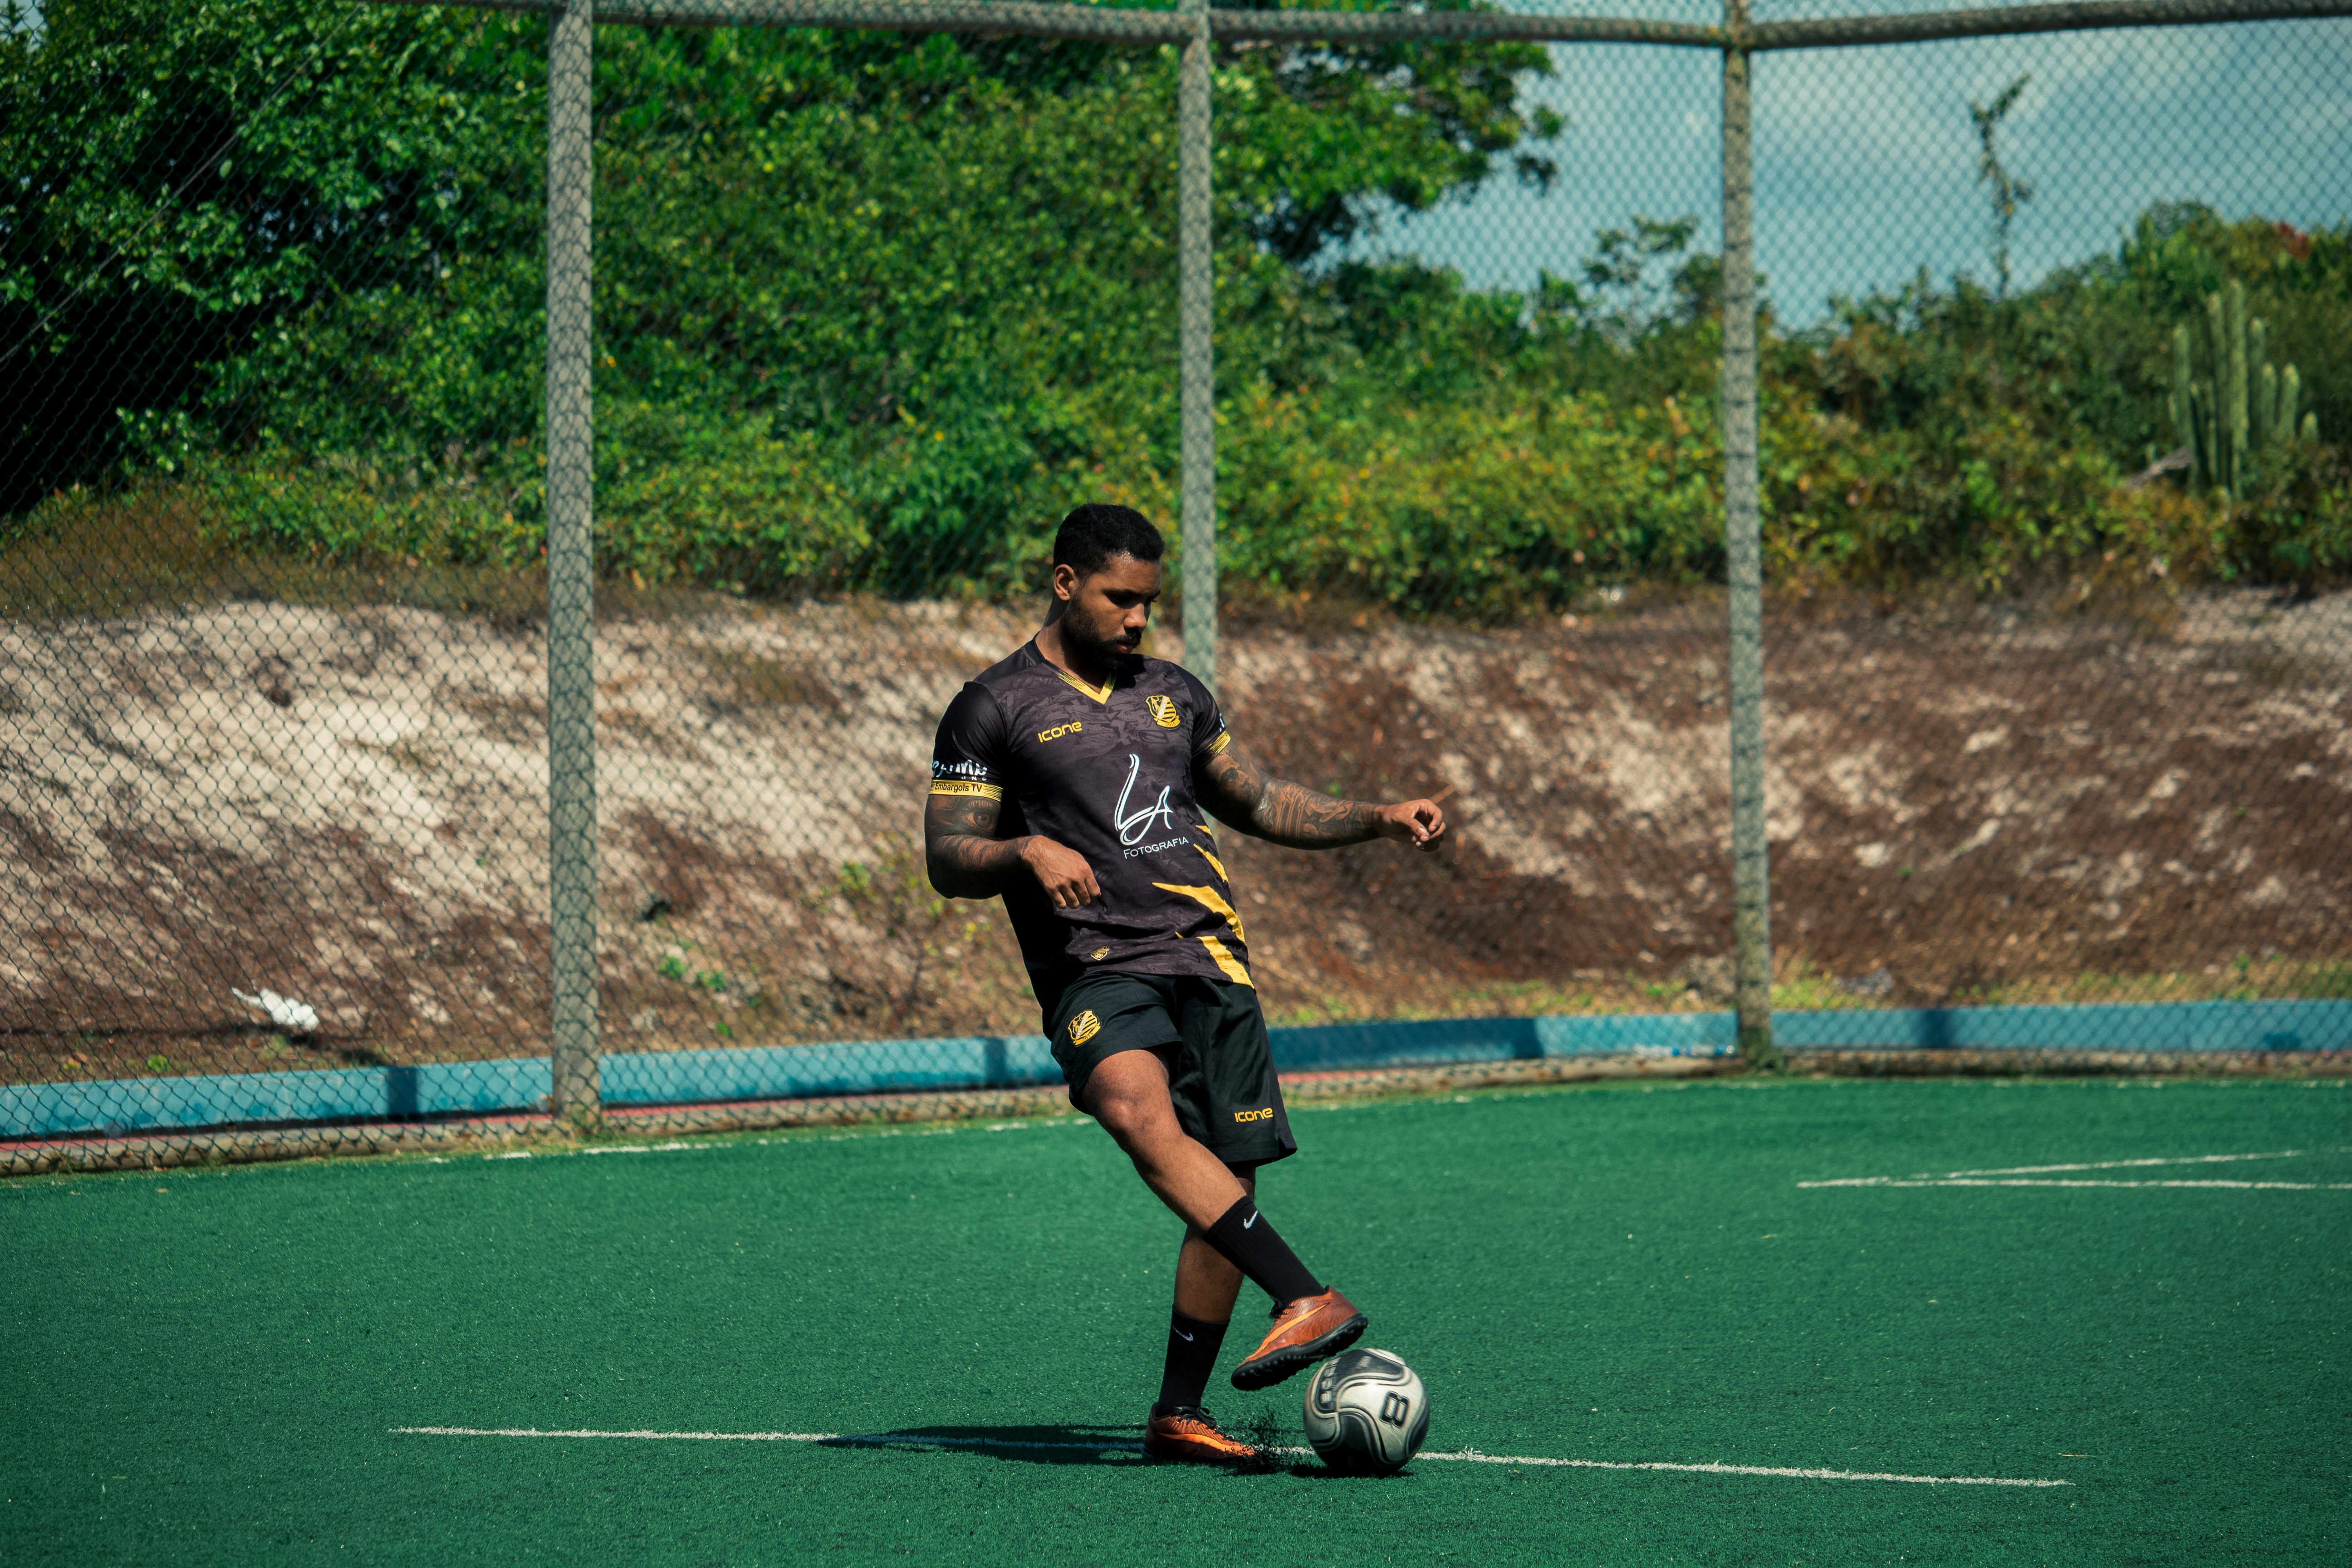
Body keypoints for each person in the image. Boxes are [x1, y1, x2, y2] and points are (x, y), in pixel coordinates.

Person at [923, 503, 1448, 1464]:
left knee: (1220, 1178)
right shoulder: (992, 705)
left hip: (1208, 955)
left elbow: (1257, 800)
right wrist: (1026, 849)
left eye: (1149, 603)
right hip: (1095, 962)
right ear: (1064, 580)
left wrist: (1373, 815)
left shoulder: (1173, 691)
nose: (1137, 619)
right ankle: (1303, 1293)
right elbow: (948, 856)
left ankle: (1177, 1414)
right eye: (1120, 598)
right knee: (1133, 1107)